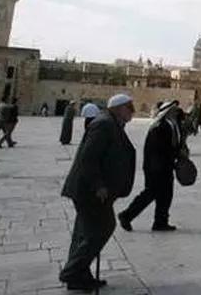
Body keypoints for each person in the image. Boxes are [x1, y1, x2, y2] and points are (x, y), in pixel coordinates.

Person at [59, 93, 137, 291]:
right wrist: (98, 185)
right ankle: (73, 271)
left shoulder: (112, 123)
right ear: (119, 108)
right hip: (90, 191)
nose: (133, 112)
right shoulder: (104, 124)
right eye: (130, 108)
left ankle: (79, 274)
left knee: (84, 233)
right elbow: (88, 158)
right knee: (102, 227)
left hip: (91, 190)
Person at [119, 100, 185, 233]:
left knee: (166, 195)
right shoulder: (159, 127)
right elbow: (160, 149)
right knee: (150, 193)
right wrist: (176, 153)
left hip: (165, 166)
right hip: (156, 167)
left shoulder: (170, 125)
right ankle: (126, 215)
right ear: (168, 112)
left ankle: (160, 222)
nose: (176, 112)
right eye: (173, 110)